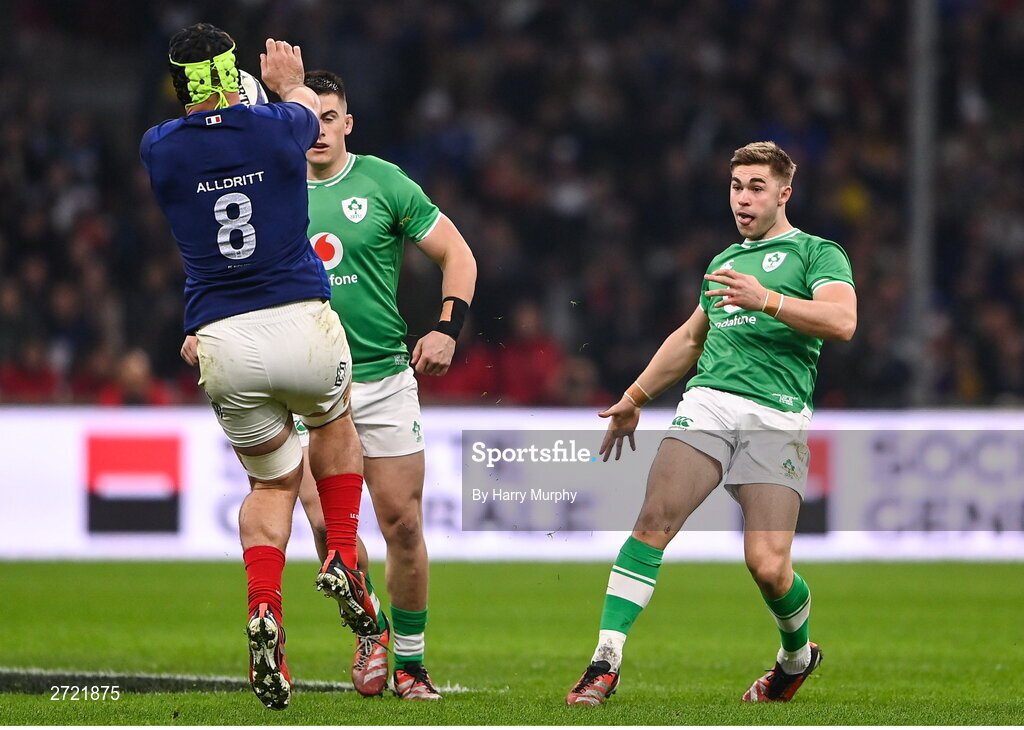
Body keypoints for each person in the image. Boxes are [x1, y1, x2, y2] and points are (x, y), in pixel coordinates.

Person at [565, 141, 856, 705]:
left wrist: (767, 300)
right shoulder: (724, 262)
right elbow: (691, 338)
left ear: (784, 194)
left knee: (767, 566)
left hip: (777, 415)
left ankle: (796, 657)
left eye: (756, 188)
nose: (743, 199)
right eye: (736, 187)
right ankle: (604, 662)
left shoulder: (818, 253)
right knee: (654, 520)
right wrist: (634, 396)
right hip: (710, 403)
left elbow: (843, 321)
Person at [141, 24, 378, 711]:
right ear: (235, 77)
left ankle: (264, 605)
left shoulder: (159, 149)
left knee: (271, 483)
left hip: (221, 338)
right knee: (333, 425)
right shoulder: (277, 128)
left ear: (180, 85)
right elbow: (302, 110)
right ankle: (341, 551)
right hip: (300, 319)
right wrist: (285, 83)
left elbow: (207, 129)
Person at [297, 69, 476, 700]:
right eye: (307, 118)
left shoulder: (382, 181)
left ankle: (411, 664)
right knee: (328, 529)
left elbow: (457, 253)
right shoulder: (272, 188)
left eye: (329, 117)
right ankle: (369, 627)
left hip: (384, 378)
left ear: (348, 123)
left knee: (402, 525)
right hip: (308, 386)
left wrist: (447, 328)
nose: (318, 130)